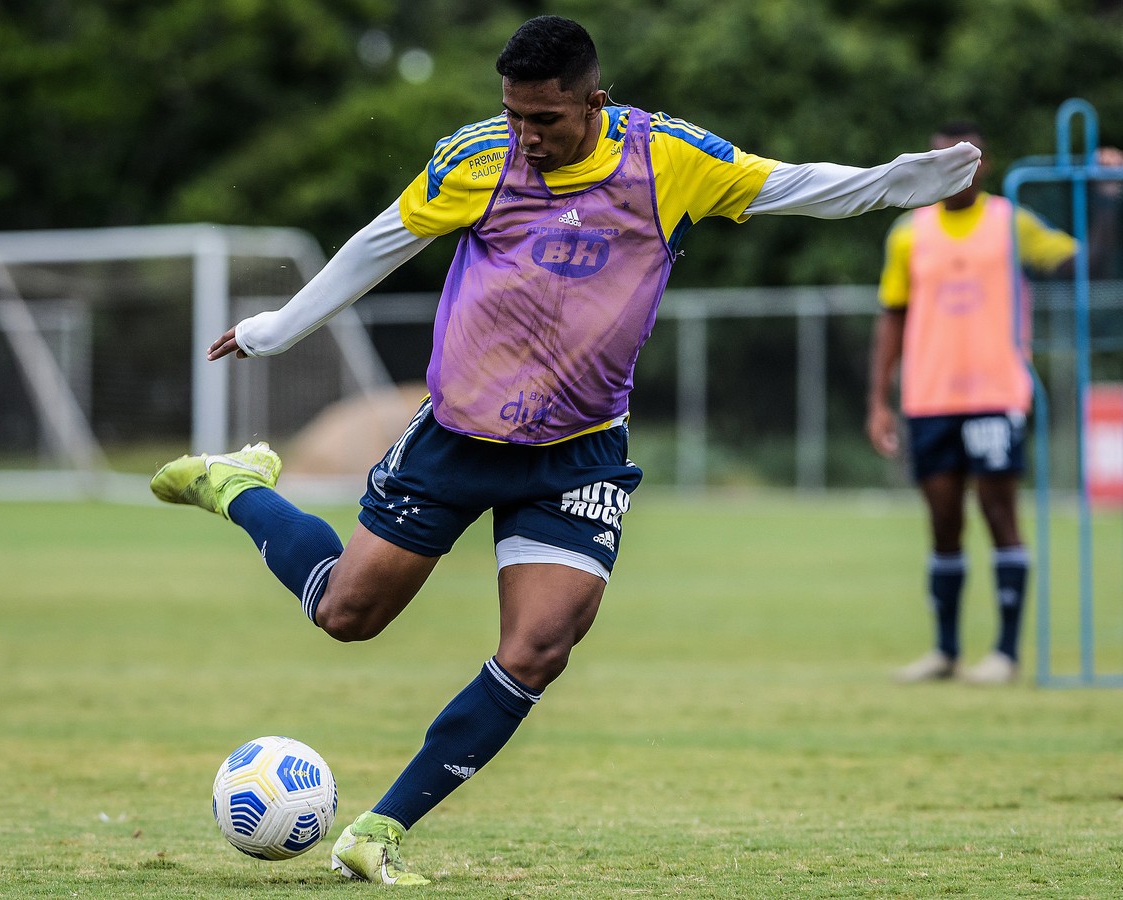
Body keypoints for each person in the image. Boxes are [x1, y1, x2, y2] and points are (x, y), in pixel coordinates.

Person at [151, 16, 980, 884]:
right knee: (347, 616)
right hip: (459, 435)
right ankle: (237, 484)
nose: (527, 136)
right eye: (514, 115)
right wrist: (277, 329)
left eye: (545, 119)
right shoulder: (478, 160)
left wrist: (900, 181)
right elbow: (379, 243)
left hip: (577, 452)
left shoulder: (668, 159)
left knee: (540, 646)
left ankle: (379, 830)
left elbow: (794, 186)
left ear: (596, 102)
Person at [866, 122, 1123, 686]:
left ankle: (1004, 654)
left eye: (960, 160)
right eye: (937, 160)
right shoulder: (908, 232)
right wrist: (878, 401)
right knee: (943, 523)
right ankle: (946, 651)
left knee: (1000, 514)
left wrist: (1106, 200)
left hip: (995, 393)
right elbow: (893, 317)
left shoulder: (1013, 222)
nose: (949, 171)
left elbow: (1082, 267)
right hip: (929, 397)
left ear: (981, 166)